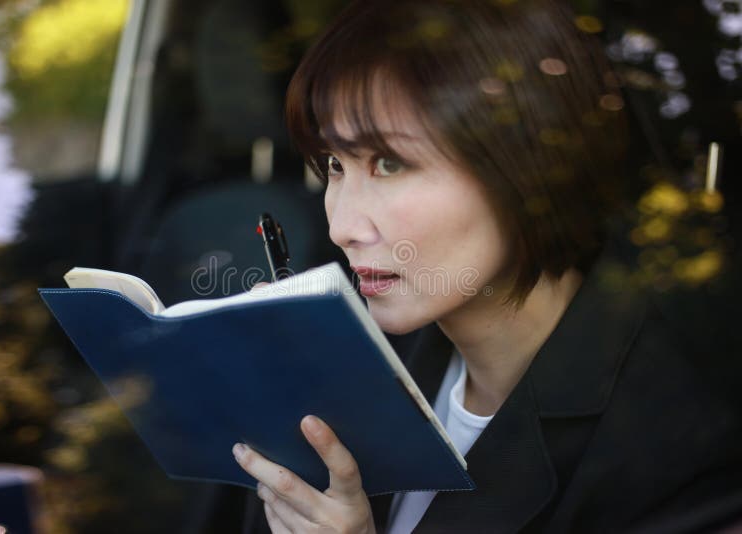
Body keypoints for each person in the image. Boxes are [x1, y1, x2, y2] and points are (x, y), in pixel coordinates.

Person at [225, 0, 742, 531]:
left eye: (390, 163)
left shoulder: (681, 447)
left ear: (529, 167)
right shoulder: (352, 368)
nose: (342, 228)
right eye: (335, 164)